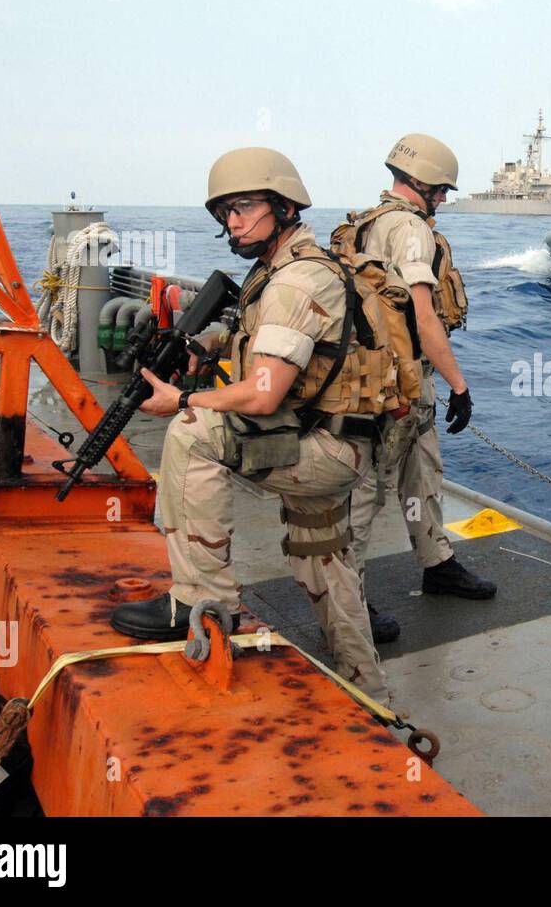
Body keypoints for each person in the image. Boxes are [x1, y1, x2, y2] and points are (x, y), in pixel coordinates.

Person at [110, 146, 391, 702]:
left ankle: (201, 600)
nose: (232, 222)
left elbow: (262, 397)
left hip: (320, 450)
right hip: (334, 438)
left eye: (243, 207)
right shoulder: (285, 269)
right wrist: (213, 343)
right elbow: (284, 347)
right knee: (324, 566)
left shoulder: (292, 281)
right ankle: (370, 696)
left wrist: (184, 398)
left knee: (193, 432)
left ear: (283, 207)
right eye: (224, 213)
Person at [335, 133, 495, 645]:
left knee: (422, 471)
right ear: (421, 183)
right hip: (397, 382)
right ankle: (347, 597)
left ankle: (437, 562)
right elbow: (424, 318)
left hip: (389, 373)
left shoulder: (368, 223)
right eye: (442, 190)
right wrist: (460, 385)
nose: (445, 199)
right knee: (369, 488)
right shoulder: (411, 231)